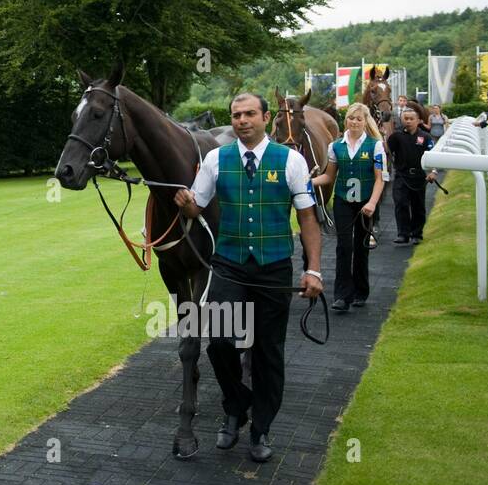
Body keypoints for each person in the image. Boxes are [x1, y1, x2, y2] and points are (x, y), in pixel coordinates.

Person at [173, 93, 323, 464]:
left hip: (274, 267)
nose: (242, 120)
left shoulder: (291, 160)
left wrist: (314, 269)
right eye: (236, 115)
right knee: (220, 341)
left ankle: (260, 429)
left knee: (267, 352)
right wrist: (185, 202)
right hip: (229, 264)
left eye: (250, 114)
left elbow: (307, 219)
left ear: (265, 117)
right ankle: (236, 404)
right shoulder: (215, 159)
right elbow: (199, 205)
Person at [310, 103, 388, 312]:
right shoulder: (335, 146)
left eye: (358, 119)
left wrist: (372, 203)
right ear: (346, 121)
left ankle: (361, 291)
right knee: (344, 246)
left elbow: (380, 179)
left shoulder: (375, 146)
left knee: (361, 246)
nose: (354, 122)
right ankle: (342, 295)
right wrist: (308, 182)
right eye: (351, 119)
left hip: (365, 202)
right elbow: (329, 176)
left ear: (365, 122)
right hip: (343, 200)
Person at [386, 107, 438, 244]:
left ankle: (417, 234)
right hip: (401, 176)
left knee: (418, 206)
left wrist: (433, 172)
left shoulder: (425, 137)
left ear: (419, 120)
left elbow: (433, 155)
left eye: (411, 119)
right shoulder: (396, 136)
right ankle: (403, 233)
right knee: (400, 202)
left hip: (419, 177)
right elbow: (386, 151)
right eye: (405, 119)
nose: (408, 121)